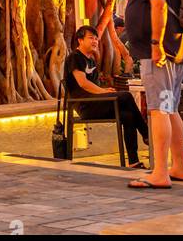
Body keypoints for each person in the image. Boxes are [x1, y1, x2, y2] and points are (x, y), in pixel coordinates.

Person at [123, 0, 183, 190]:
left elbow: (159, 4)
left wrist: (155, 43)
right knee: (170, 107)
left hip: (159, 51)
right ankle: (181, 166)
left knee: (157, 109)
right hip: (177, 47)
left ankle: (160, 172)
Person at [63, 26, 148, 168]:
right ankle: (146, 133)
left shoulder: (91, 60)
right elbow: (83, 84)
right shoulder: (75, 57)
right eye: (91, 38)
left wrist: (104, 91)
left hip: (95, 102)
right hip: (85, 105)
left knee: (127, 115)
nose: (95, 41)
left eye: (96, 38)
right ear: (80, 40)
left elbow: (93, 86)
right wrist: (104, 93)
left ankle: (133, 161)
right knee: (126, 96)